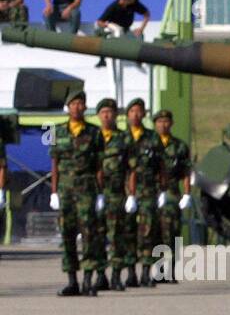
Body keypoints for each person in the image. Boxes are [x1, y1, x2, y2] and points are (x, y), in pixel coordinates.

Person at [49, 90, 105, 296]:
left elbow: (100, 165)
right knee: (67, 235)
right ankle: (72, 280)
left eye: (80, 103)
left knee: (89, 234)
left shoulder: (94, 132)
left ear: (85, 107)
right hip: (65, 191)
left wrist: (100, 193)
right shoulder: (56, 131)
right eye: (73, 104)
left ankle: (88, 280)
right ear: (67, 107)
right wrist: (53, 192)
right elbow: (54, 164)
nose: (77, 107)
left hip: (87, 190)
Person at [95, 98, 134, 293]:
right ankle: (101, 275)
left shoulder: (125, 139)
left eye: (110, 112)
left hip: (117, 194)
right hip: (95, 195)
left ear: (116, 116)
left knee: (117, 235)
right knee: (97, 236)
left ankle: (117, 275)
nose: (107, 116)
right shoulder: (93, 137)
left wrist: (131, 195)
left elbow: (131, 169)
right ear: (98, 115)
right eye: (103, 112)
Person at [124, 98, 162, 286]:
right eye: (132, 111)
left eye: (139, 111)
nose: (136, 115)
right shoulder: (120, 138)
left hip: (147, 190)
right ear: (127, 115)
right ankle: (130, 272)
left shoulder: (152, 138)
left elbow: (160, 165)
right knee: (128, 232)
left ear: (144, 114)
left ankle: (146, 271)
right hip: (124, 191)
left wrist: (161, 190)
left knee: (147, 232)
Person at [154, 109, 192, 267]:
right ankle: (158, 267)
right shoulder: (150, 143)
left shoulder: (179, 146)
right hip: (151, 191)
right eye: (160, 122)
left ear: (171, 123)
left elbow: (186, 172)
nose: (163, 125)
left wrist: (187, 194)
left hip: (171, 191)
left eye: (166, 121)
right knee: (154, 231)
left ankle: (171, 268)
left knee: (172, 231)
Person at [94, 0, 150, 67]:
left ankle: (139, 60)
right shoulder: (113, 7)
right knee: (116, 32)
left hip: (126, 30)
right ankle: (103, 59)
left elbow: (147, 14)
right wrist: (108, 25)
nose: (134, 0)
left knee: (140, 36)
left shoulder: (134, 4)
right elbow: (99, 22)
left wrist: (141, 28)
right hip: (113, 30)